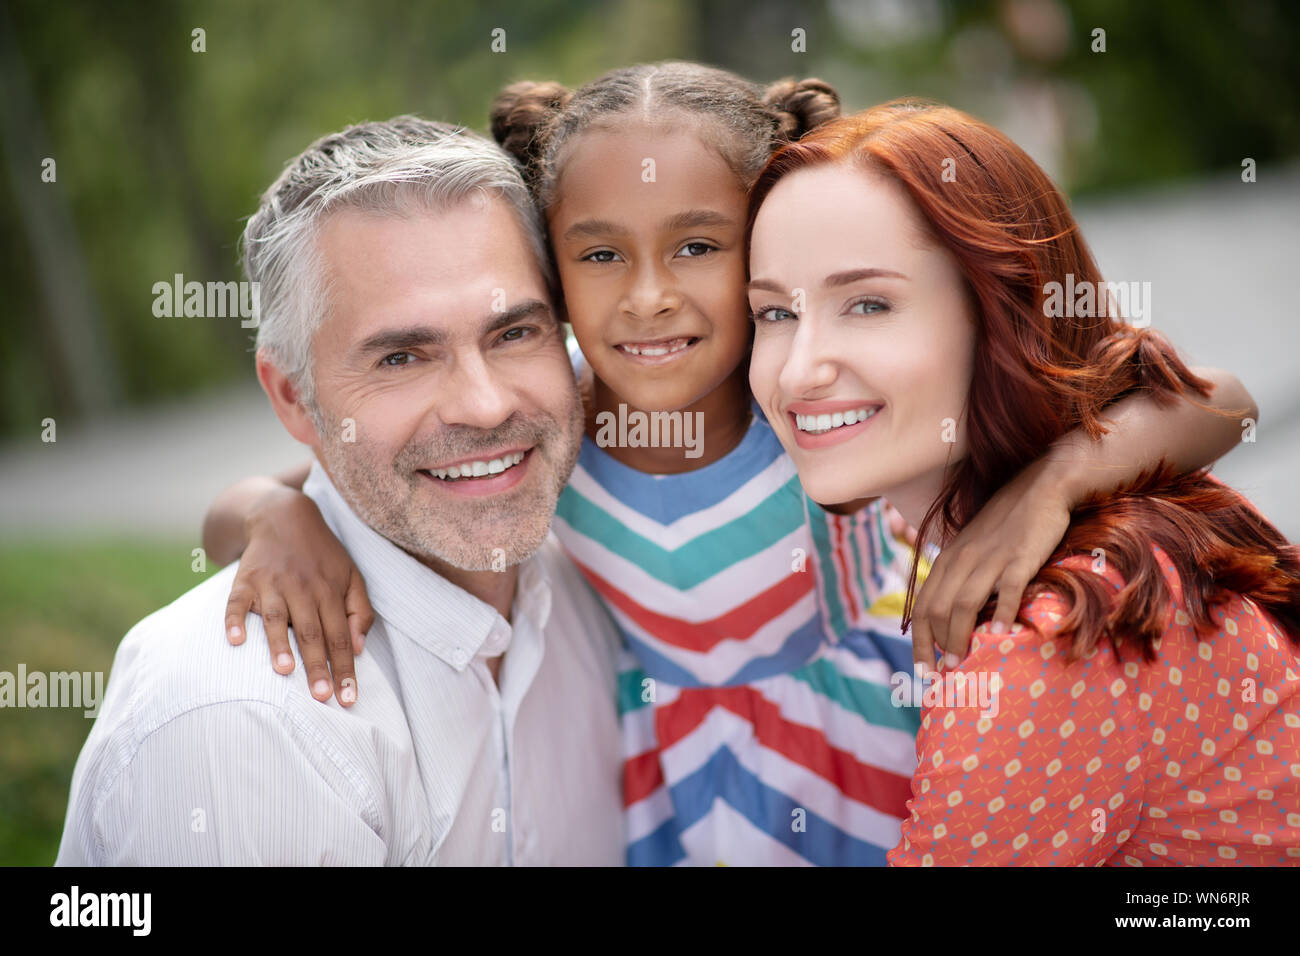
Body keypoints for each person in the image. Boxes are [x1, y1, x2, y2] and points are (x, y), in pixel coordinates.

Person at [204, 63, 1258, 866]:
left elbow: (1224, 402)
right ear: (550, 264)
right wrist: (267, 515)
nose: (649, 295)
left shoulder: (804, 391)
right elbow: (282, 486)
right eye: (601, 253)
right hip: (662, 779)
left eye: (700, 247)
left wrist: (1050, 485)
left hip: (860, 756)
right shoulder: (547, 403)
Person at [744, 99, 1300, 865]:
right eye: (773, 313)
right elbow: (1220, 400)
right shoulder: (1122, 499)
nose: (800, 369)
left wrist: (1054, 480)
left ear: (1002, 313)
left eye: (868, 304)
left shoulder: (1048, 645)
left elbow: (1223, 398)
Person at [56, 117, 623, 866]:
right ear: (293, 397)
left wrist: (262, 502)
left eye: (514, 333)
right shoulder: (242, 720)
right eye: (400, 358)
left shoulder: (605, 571)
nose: (486, 407)